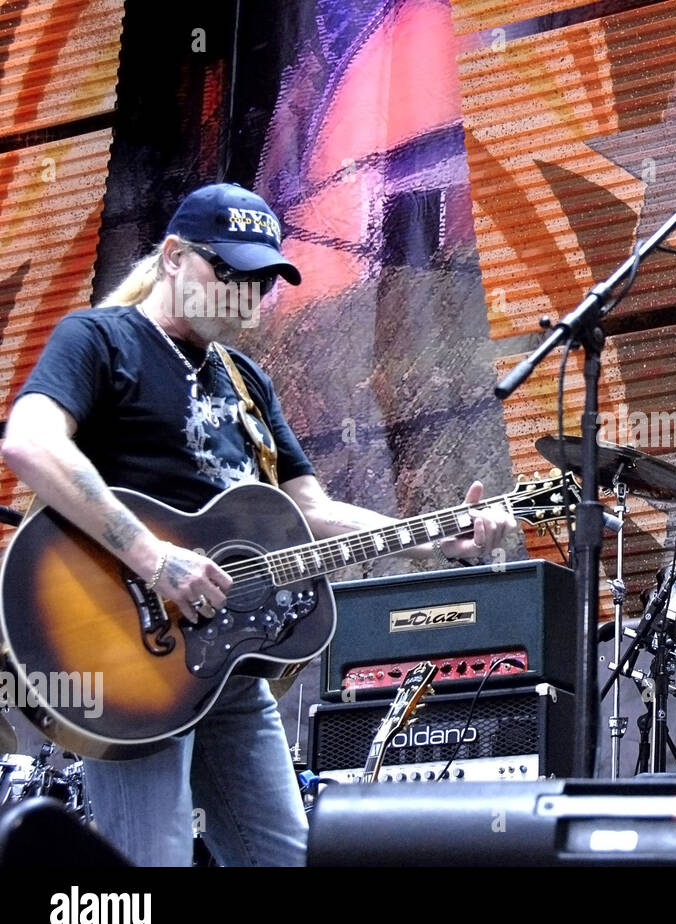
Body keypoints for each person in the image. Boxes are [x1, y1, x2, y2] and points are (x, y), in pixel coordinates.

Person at [1, 183, 515, 866]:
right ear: (175, 257)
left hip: (227, 666)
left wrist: (429, 536)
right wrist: (157, 561)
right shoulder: (99, 338)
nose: (245, 295)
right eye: (229, 273)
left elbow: (310, 510)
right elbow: (29, 444)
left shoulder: (246, 381)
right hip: (128, 651)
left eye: (260, 280)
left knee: (284, 859)